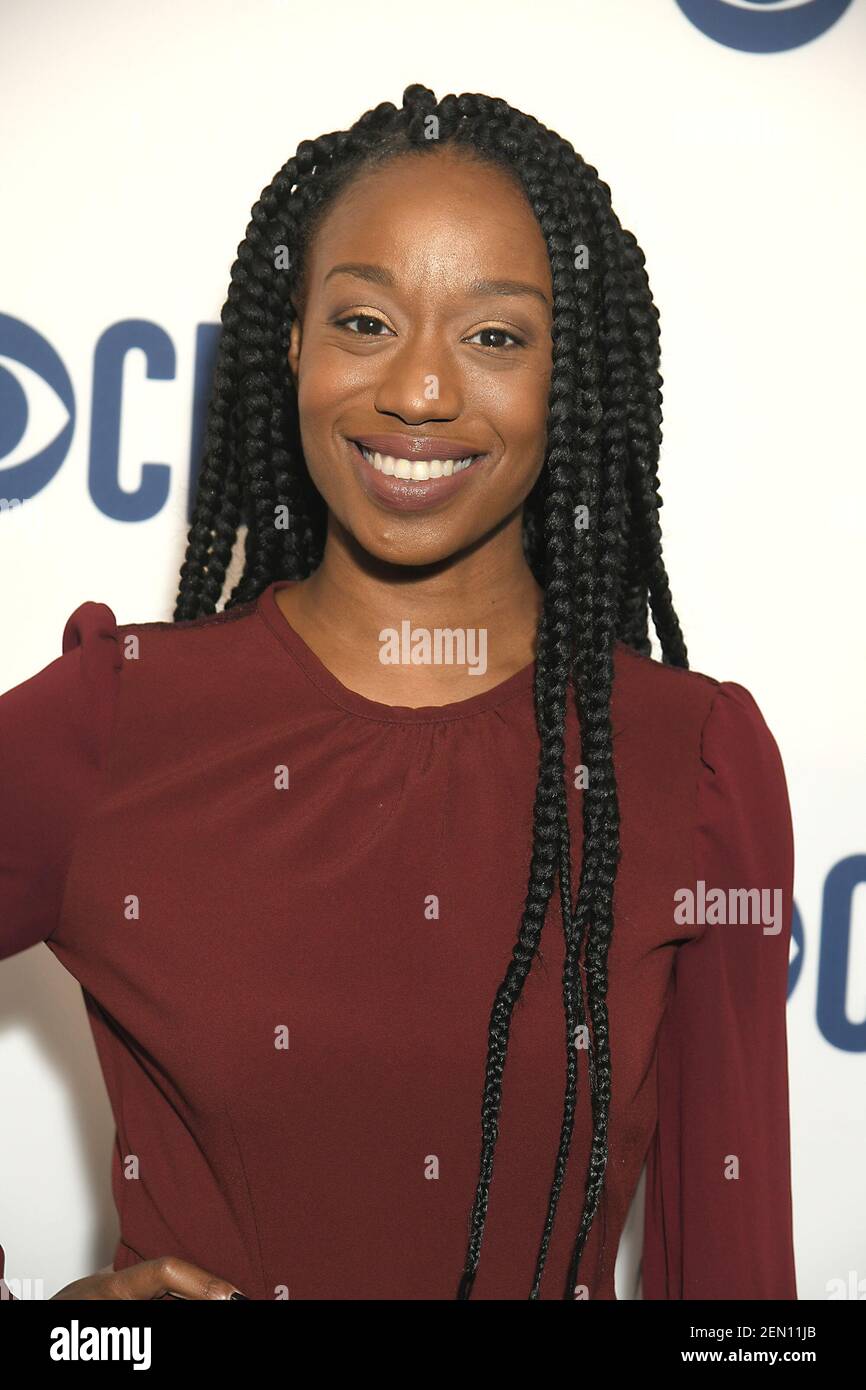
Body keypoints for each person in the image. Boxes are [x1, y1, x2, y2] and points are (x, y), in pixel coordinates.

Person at [0, 84, 797, 1301]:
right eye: (364, 322)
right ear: (292, 349)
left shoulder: (689, 763)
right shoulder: (117, 722)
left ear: (569, 377)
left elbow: (735, 1286)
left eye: (493, 336)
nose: (418, 394)